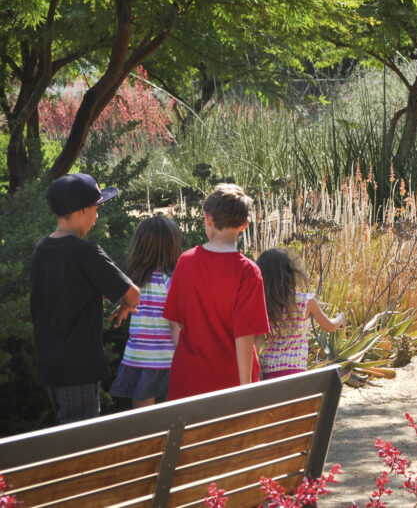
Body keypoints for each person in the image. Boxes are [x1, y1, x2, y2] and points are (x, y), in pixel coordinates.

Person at [31, 173, 140, 424]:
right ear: (81, 211)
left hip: (49, 365)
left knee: (66, 437)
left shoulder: (41, 250)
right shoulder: (86, 252)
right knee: (81, 446)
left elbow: (64, 289)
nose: (97, 215)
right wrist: (124, 303)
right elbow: (133, 295)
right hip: (78, 368)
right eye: (96, 208)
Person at [163, 183, 270, 400]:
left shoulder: (186, 261)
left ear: (207, 219)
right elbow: (245, 335)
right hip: (229, 382)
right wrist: (245, 390)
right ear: (245, 225)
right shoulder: (248, 271)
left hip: (188, 380)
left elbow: (176, 322)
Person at [109, 216, 183, 408]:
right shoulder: (172, 281)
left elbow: (132, 303)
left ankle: (146, 439)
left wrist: (122, 308)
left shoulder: (134, 282)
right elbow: (176, 323)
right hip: (167, 357)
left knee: (143, 416)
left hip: (139, 356)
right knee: (173, 412)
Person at [255, 248, 346, 379]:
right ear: (290, 273)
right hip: (295, 369)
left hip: (270, 369)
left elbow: (257, 342)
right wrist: (340, 318)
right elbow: (329, 326)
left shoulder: (265, 304)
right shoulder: (306, 301)